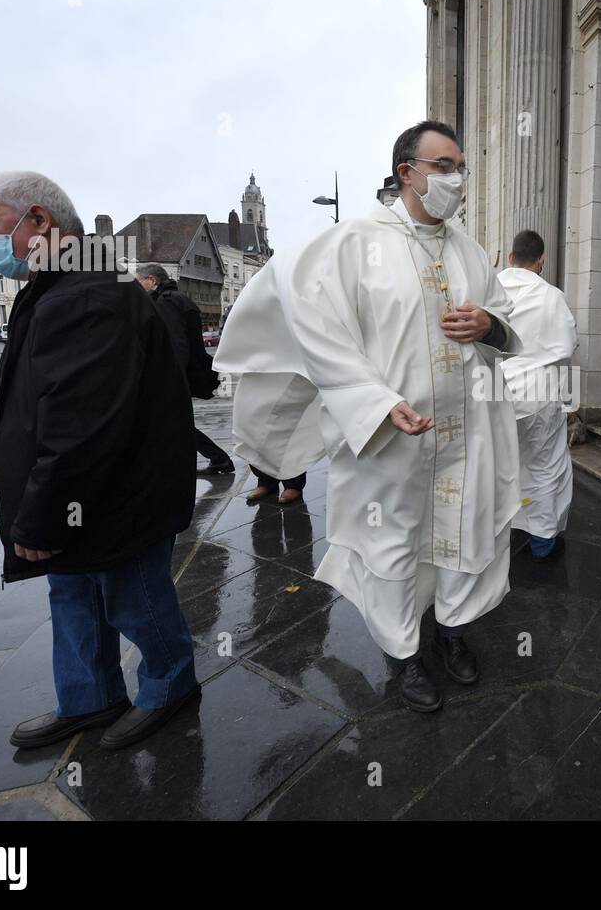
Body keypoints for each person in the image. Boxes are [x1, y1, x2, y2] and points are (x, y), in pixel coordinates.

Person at [214, 121, 521, 714]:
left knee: (466, 529)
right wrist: (372, 401)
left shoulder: (471, 251)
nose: (457, 178)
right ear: (407, 172)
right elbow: (315, 325)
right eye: (443, 166)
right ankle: (405, 654)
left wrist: (491, 325)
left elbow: (505, 320)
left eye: (461, 167)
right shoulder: (355, 243)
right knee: (394, 545)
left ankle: (453, 630)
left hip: (470, 431)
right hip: (393, 436)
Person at [0, 170, 199, 752]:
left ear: (39, 220)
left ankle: (169, 688)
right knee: (73, 596)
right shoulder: (62, 284)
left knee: (136, 598)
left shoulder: (87, 293)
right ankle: (88, 697)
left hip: (113, 497)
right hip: (80, 495)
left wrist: (43, 515)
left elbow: (82, 423)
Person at [498, 229, 578, 559]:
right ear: (541, 260)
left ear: (510, 257)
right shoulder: (551, 296)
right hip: (538, 394)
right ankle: (542, 538)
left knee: (500, 464)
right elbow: (567, 346)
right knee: (545, 463)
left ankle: (501, 529)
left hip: (492, 391)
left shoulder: (489, 291)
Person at [133, 263, 233, 475]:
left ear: (152, 280)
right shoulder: (179, 299)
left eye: (139, 281)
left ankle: (216, 459)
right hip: (183, 373)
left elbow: (176, 342)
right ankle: (216, 459)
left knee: (172, 422)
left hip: (174, 376)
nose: (137, 286)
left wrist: (172, 377)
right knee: (172, 421)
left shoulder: (165, 302)